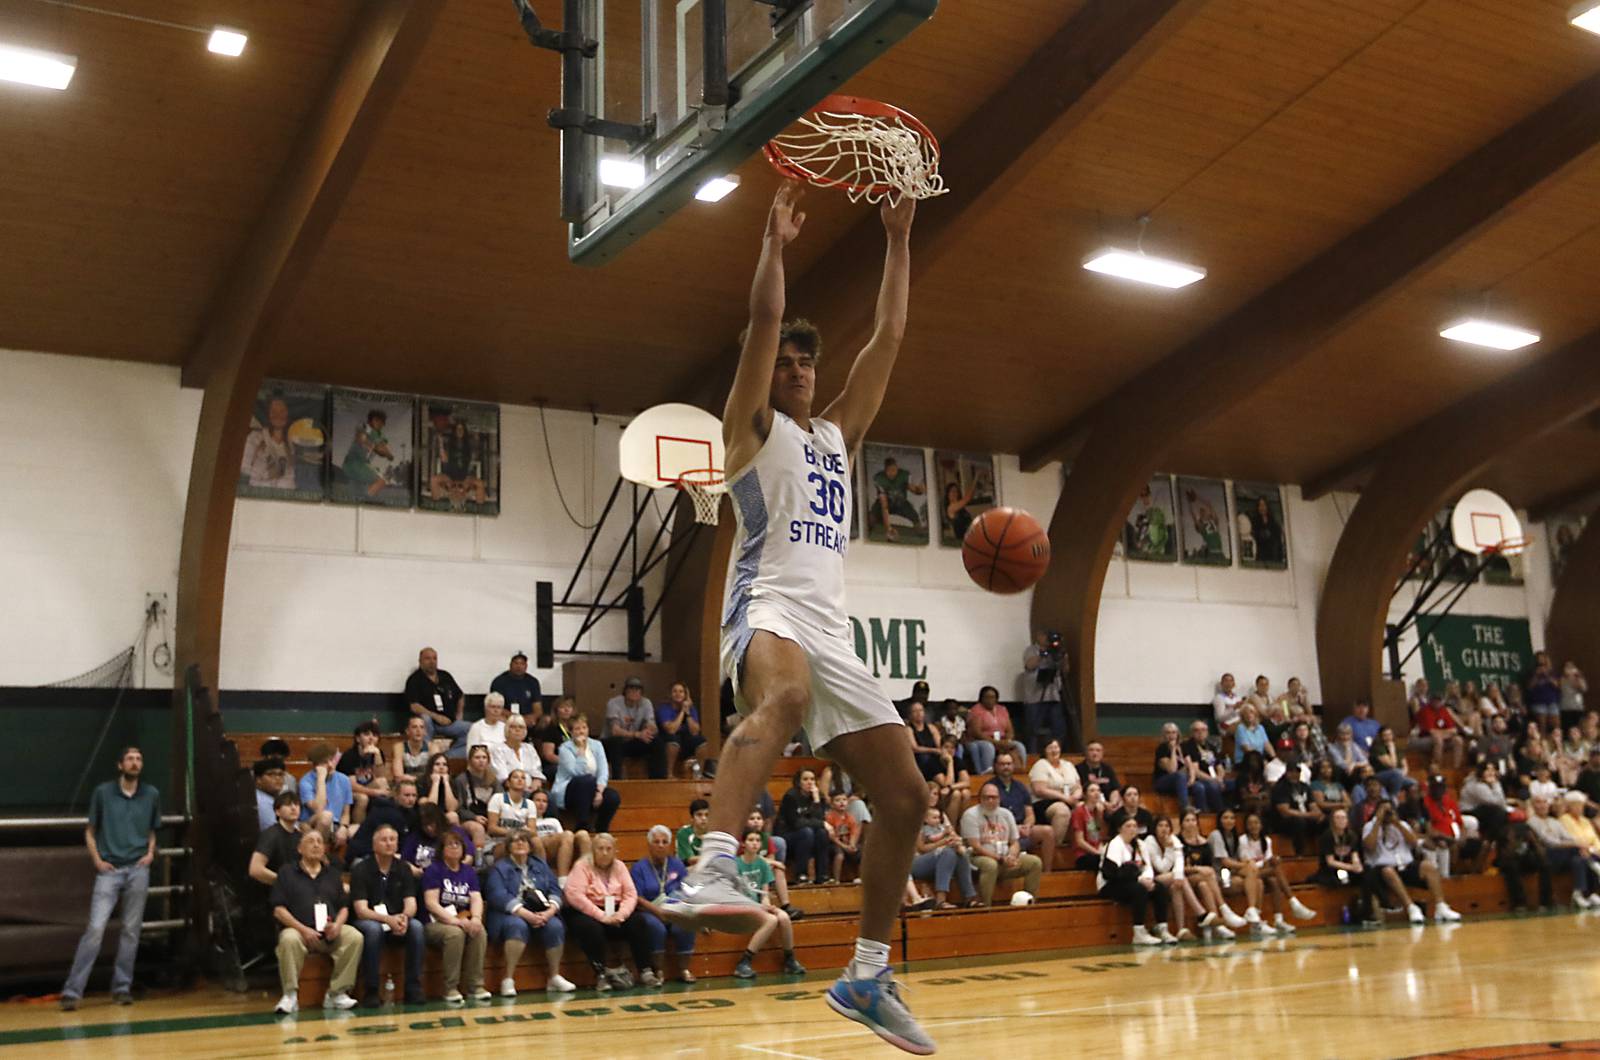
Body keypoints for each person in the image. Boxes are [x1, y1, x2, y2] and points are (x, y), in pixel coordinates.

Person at [654, 183, 929, 1054]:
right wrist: (772, 247)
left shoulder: (838, 436)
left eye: (807, 361)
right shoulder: (750, 430)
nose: (798, 367)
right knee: (781, 701)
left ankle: (869, 974)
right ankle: (711, 867)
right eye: (786, 361)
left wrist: (898, 238)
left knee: (908, 794)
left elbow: (888, 337)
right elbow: (764, 321)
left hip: (834, 631)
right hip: (764, 608)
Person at [59, 747, 161, 1011]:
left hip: (138, 868)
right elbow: (90, 831)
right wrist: (97, 860)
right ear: (120, 764)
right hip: (109, 869)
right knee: (95, 929)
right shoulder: (103, 793)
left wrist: (150, 853)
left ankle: (122, 987)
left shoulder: (151, 794)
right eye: (130, 758)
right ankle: (72, 991)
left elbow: (152, 830)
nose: (135, 762)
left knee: (131, 931)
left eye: (139, 758)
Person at [271, 829, 362, 1014]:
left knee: (354, 936)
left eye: (320, 841)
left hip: (328, 932)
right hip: (300, 930)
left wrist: (337, 926)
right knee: (288, 938)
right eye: (311, 841)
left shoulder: (333, 874)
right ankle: (289, 995)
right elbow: (278, 909)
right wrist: (303, 929)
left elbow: (344, 906)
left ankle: (337, 993)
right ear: (299, 848)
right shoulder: (287, 872)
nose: (316, 845)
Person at [485, 829, 575, 995]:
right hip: (509, 914)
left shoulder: (540, 864)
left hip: (540, 911)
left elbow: (555, 889)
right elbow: (497, 895)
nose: (520, 843)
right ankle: (508, 979)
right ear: (508, 847)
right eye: (515, 841)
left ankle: (554, 977)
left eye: (524, 841)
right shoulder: (500, 868)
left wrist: (550, 911)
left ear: (530, 846)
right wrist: (525, 913)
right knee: (517, 925)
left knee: (555, 925)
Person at [565, 833, 656, 990]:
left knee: (638, 921)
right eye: (600, 849)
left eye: (609, 849)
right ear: (593, 850)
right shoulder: (582, 866)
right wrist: (601, 916)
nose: (605, 852)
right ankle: (600, 974)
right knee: (590, 928)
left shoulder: (619, 866)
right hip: (588, 911)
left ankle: (645, 970)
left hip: (615, 910)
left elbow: (630, 894)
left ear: (615, 851)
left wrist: (622, 914)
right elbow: (575, 896)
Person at [349, 823, 425, 1007]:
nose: (389, 844)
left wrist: (403, 918)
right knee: (373, 931)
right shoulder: (361, 869)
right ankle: (372, 990)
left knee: (416, 927)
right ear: (374, 844)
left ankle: (413, 988)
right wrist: (387, 920)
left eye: (392, 840)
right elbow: (361, 909)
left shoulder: (403, 868)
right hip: (369, 920)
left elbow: (411, 904)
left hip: (396, 919)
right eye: (384, 840)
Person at [1362, 798, 1461, 924]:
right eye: (1384, 810)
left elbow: (1414, 842)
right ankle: (1411, 907)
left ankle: (1441, 906)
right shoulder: (1370, 826)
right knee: (1388, 871)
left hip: (1405, 865)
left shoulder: (1401, 824)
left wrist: (1396, 824)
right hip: (1381, 869)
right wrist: (1378, 821)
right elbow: (1369, 846)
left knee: (1428, 866)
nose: (1387, 813)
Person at [419, 830, 490, 1003]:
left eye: (457, 844)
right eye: (449, 844)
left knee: (479, 932)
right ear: (442, 849)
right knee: (455, 934)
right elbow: (431, 903)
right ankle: (450, 987)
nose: (454, 847)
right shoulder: (434, 870)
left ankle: (475, 986)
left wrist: (476, 918)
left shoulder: (469, 872)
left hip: (462, 919)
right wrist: (454, 921)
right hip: (435, 922)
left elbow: (476, 898)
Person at [730, 830, 808, 978]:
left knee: (784, 917)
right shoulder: (736, 864)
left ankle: (789, 960)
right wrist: (759, 907)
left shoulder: (762, 864)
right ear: (743, 844)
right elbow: (735, 895)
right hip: (740, 906)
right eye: (751, 840)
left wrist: (766, 904)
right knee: (771, 920)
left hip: (758, 906)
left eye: (757, 840)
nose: (754, 843)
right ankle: (744, 962)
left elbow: (764, 893)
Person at [631, 825, 698, 984]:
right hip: (649, 910)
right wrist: (658, 911)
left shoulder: (677, 865)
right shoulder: (639, 867)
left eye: (664, 842)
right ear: (649, 845)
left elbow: (686, 890)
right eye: (656, 841)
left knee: (687, 923)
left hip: (674, 909)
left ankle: (684, 969)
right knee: (656, 927)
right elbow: (637, 898)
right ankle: (659, 971)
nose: (661, 845)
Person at [960, 782, 1043, 906]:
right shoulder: (970, 815)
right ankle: (985, 906)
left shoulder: (1006, 814)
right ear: (980, 799)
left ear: (999, 798)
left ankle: (1028, 902)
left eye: (994, 797)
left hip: (1004, 857)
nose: (991, 800)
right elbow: (975, 846)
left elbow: (1015, 842)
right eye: (987, 797)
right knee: (990, 865)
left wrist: (1011, 856)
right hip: (977, 859)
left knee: (1034, 862)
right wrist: (1000, 859)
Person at [1098, 816, 1166, 946]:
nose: (1132, 829)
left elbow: (1147, 866)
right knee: (1139, 890)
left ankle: (1162, 928)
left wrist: (1148, 880)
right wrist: (1140, 880)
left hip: (1132, 881)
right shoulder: (1115, 844)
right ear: (1119, 829)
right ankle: (1139, 932)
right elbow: (1111, 873)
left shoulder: (1141, 845)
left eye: (1134, 826)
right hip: (1110, 884)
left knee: (1160, 888)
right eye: (1128, 826)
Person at [1176, 809, 1245, 935]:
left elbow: (1210, 866)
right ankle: (1224, 908)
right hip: (1185, 878)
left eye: (1193, 820)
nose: (1191, 823)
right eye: (1187, 820)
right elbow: (1178, 868)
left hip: (1204, 879)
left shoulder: (1204, 842)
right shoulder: (1178, 841)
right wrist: (1197, 869)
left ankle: (1215, 923)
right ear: (1181, 823)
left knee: (1204, 884)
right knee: (1208, 876)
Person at [1208, 808, 1273, 935]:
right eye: (1225, 818)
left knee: (1258, 881)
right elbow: (1225, 862)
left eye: (1232, 818)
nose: (1229, 821)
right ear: (1219, 820)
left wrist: (1248, 863)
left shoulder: (1234, 836)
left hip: (1230, 871)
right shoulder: (1216, 835)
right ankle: (1252, 912)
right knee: (1247, 873)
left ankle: (1254, 917)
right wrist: (1246, 864)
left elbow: (1240, 859)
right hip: (1220, 874)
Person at [552, 715, 621, 833]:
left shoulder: (597, 745)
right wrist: (581, 752)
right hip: (569, 790)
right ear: (571, 731)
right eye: (577, 729)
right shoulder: (565, 748)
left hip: (592, 788)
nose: (581, 731)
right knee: (586, 780)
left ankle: (601, 829)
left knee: (613, 797)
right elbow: (576, 772)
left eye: (584, 727)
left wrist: (599, 791)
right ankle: (582, 825)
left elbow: (603, 770)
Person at [1527, 795, 1598, 909]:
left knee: (1579, 860)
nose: (1542, 806)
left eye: (1544, 802)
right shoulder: (1532, 822)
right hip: (1547, 856)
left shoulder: (1554, 821)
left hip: (1566, 855)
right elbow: (1550, 842)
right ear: (1533, 806)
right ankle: (1593, 863)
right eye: (1538, 803)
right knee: (1578, 851)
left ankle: (1581, 894)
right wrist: (1577, 845)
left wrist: (1578, 844)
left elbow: (1569, 837)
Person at [1312, 807, 1378, 925]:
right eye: (1337, 818)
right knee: (1333, 882)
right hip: (1330, 871)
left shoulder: (1351, 836)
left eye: (1343, 818)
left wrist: (1357, 866)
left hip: (1347, 868)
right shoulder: (1327, 836)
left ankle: (1367, 912)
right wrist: (1351, 867)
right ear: (1332, 821)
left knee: (1367, 873)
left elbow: (1354, 855)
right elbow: (1330, 861)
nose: (1341, 820)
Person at [405, 646, 470, 758]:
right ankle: (426, 756)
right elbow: (414, 706)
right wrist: (436, 716)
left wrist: (459, 715)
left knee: (472, 729)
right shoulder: (414, 680)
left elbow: (460, 696)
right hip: (429, 723)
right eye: (428, 658)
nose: (432, 662)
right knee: (424, 719)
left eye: (434, 658)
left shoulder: (445, 676)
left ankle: (446, 756)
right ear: (420, 661)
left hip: (449, 722)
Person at [911, 802, 978, 909]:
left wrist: (955, 842)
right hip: (915, 862)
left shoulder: (941, 827)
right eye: (934, 818)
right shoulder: (920, 826)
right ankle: (941, 900)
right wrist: (942, 843)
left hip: (939, 860)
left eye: (939, 818)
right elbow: (922, 849)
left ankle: (970, 897)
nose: (937, 820)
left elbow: (954, 838)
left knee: (957, 852)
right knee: (948, 852)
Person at [1143, 816, 1199, 942]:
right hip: (1151, 878)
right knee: (1179, 878)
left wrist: (1178, 876)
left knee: (1177, 886)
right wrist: (1169, 849)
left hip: (1169, 879)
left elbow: (1180, 861)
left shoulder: (1174, 839)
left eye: (1167, 826)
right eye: (1160, 826)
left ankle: (1181, 929)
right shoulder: (1149, 841)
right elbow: (1161, 867)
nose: (1164, 829)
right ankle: (1201, 913)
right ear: (1154, 828)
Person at [779, 768, 836, 884]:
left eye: (812, 779)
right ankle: (801, 874)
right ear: (799, 782)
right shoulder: (791, 796)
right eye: (805, 779)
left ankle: (822, 875)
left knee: (822, 833)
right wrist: (822, 823)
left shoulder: (817, 796)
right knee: (807, 832)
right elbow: (796, 823)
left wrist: (816, 801)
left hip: (809, 834)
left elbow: (819, 819)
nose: (810, 782)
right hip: (788, 834)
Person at [605, 676, 668, 779]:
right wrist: (637, 734)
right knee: (616, 742)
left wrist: (649, 728)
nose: (634, 692)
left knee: (657, 742)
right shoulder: (614, 703)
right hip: (612, 742)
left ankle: (658, 780)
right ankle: (618, 781)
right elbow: (615, 731)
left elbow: (653, 726)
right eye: (631, 689)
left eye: (637, 689)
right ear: (625, 691)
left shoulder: (646, 703)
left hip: (633, 741)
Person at [346, 776, 419, 864]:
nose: (411, 799)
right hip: (364, 857)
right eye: (406, 795)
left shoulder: (411, 813)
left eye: (414, 795)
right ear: (396, 795)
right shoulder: (385, 812)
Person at [1019, 630, 1067, 753]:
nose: (1048, 639)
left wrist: (1063, 657)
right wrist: (1043, 654)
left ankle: (1057, 751)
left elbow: (1065, 670)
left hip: (1054, 695)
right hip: (1035, 697)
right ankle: (1033, 753)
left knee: (1058, 728)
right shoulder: (1031, 650)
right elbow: (1030, 665)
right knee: (1033, 728)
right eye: (1046, 636)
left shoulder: (1057, 651)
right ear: (1039, 636)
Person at [1029, 738, 1080, 854]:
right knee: (1062, 811)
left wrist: (1075, 797)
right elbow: (1039, 790)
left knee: (1084, 807)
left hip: (1069, 799)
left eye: (1056, 747)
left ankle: (1082, 845)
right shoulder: (1041, 765)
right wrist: (1064, 798)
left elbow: (1078, 787)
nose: (1054, 750)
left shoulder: (1068, 765)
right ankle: (1055, 847)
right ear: (1044, 750)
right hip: (1045, 802)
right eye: (1050, 748)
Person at [298, 742, 353, 846]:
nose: (330, 765)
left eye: (332, 760)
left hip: (336, 824)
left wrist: (344, 827)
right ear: (316, 765)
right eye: (325, 762)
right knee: (326, 816)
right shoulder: (305, 782)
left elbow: (346, 813)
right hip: (312, 823)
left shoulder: (344, 779)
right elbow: (319, 809)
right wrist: (321, 779)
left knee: (358, 829)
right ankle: (318, 851)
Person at [337, 720, 389, 824]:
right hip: (345, 791)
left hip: (365, 786)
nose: (371, 738)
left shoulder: (377, 753)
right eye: (366, 734)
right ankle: (359, 828)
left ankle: (383, 823)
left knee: (382, 782)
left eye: (374, 735)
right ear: (357, 738)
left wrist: (378, 755)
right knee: (363, 798)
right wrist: (375, 792)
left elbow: (381, 776)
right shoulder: (349, 756)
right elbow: (351, 785)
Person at [403, 803, 476, 876]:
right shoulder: (414, 837)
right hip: (422, 877)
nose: (429, 828)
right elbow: (404, 861)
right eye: (425, 825)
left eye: (432, 824)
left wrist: (453, 869)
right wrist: (415, 871)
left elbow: (469, 856)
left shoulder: (454, 832)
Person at [967, 686, 1028, 772]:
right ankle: (987, 771)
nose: (990, 700)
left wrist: (1008, 740)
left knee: (1019, 745)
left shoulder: (1002, 709)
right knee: (988, 747)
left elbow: (1009, 729)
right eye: (987, 697)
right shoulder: (976, 710)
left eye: (992, 697)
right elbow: (977, 733)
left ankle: (1020, 771)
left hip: (1002, 740)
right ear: (981, 698)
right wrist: (996, 742)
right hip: (983, 740)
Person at [451, 745, 500, 852]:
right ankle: (478, 860)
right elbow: (459, 808)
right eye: (477, 758)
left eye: (484, 757)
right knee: (478, 828)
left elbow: (501, 801)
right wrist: (474, 817)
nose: (481, 761)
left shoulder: (493, 780)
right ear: (470, 760)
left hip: (490, 817)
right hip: (468, 818)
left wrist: (492, 818)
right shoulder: (461, 780)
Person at [251, 790, 305, 886]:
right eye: (288, 805)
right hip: (275, 891)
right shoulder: (271, 834)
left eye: (296, 804)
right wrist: (284, 883)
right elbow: (255, 869)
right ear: (277, 811)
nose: (293, 808)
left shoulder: (300, 836)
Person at [1271, 762, 1323, 855]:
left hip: (1305, 817)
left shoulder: (1304, 786)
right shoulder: (1281, 787)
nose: (1294, 775)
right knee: (1299, 822)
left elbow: (1313, 805)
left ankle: (1323, 853)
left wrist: (1318, 814)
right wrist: (1308, 815)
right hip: (1284, 822)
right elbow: (1284, 811)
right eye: (1291, 772)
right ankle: (1300, 854)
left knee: (1324, 821)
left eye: (1297, 772)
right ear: (1286, 773)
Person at [530, 788, 583, 880]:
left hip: (556, 849)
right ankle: (563, 878)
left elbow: (565, 840)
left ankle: (585, 873)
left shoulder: (553, 821)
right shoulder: (526, 821)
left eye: (545, 801)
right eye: (538, 800)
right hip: (538, 848)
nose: (541, 804)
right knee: (567, 834)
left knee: (583, 834)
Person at [657, 682, 706, 777]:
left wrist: (687, 713)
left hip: (685, 741)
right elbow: (671, 730)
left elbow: (695, 731)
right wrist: (682, 712)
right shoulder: (664, 708)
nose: (678, 694)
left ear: (685, 695)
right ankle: (669, 774)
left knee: (701, 741)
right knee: (673, 741)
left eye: (681, 691)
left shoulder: (691, 709)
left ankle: (698, 773)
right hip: (668, 741)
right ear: (670, 694)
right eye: (674, 691)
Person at [1178, 720, 1226, 812]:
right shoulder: (1188, 746)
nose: (1200, 733)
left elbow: (1220, 767)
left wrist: (1220, 778)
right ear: (1192, 733)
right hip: (1199, 779)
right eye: (1197, 730)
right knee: (1211, 786)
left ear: (1207, 732)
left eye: (1203, 730)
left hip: (1214, 778)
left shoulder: (1211, 746)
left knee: (1234, 783)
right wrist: (1213, 780)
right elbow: (1196, 771)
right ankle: (1219, 813)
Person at [486, 769, 538, 852]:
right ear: (508, 783)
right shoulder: (497, 798)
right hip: (499, 841)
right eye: (515, 777)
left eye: (523, 778)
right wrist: (515, 833)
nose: (520, 780)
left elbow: (533, 831)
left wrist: (519, 835)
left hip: (522, 841)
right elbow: (492, 828)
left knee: (536, 841)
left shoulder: (530, 804)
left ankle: (541, 865)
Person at [490, 714, 545, 790]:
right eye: (513, 727)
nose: (517, 730)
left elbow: (536, 771)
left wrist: (536, 782)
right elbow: (502, 776)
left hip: (531, 788)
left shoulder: (529, 748)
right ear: (507, 730)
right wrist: (522, 788)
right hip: (508, 789)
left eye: (521, 727)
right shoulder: (497, 749)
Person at [1411, 693, 1465, 770]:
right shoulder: (1425, 710)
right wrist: (1446, 733)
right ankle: (1436, 768)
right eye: (1435, 700)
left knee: (1458, 740)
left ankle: (1456, 768)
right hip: (1422, 738)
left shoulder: (1443, 710)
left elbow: (1454, 730)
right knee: (1438, 739)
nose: (1437, 703)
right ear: (1431, 701)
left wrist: (1444, 734)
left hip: (1442, 737)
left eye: (1439, 700)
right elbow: (1431, 731)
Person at [931, 732, 972, 824]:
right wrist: (950, 763)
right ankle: (951, 828)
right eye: (946, 747)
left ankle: (962, 826)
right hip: (936, 797)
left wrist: (951, 788)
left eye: (952, 748)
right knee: (956, 794)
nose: (949, 750)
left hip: (949, 793)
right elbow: (945, 784)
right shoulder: (933, 762)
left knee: (966, 793)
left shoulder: (958, 761)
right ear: (941, 748)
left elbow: (967, 782)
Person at [489, 651, 543, 718]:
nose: (519, 666)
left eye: (522, 664)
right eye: (516, 663)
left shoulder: (533, 682)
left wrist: (531, 718)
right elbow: (495, 707)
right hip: (507, 717)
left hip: (528, 719)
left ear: (526, 666)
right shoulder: (499, 682)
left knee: (546, 720)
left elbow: (538, 708)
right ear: (510, 665)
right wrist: (515, 718)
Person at [1070, 782, 1109, 870]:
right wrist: (1098, 853)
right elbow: (1079, 841)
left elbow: (1099, 836)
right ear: (1085, 795)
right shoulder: (1079, 812)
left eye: (1098, 790)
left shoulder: (1097, 812)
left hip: (1096, 851)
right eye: (1092, 791)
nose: (1096, 793)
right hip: (1083, 854)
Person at [534, 696, 577, 774]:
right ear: (556, 710)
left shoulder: (576, 728)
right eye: (562, 707)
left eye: (569, 707)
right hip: (556, 764)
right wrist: (568, 762)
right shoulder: (551, 729)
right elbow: (549, 755)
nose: (566, 710)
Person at [1079, 741, 1122, 813]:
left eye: (1098, 750)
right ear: (1086, 753)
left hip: (1108, 801)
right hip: (1090, 801)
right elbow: (1082, 793)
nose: (1095, 753)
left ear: (1102, 753)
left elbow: (1115, 789)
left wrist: (1113, 803)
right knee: (1100, 808)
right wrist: (1105, 804)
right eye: (1091, 750)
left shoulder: (1108, 769)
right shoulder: (1079, 769)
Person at [418, 752, 461, 824]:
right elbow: (430, 808)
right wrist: (436, 783)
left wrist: (446, 783)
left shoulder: (452, 782)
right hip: (427, 817)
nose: (441, 767)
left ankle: (454, 836)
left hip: (445, 816)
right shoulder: (422, 782)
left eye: (445, 764)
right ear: (431, 767)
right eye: (437, 764)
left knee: (453, 816)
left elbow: (452, 808)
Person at [906, 700, 944, 782]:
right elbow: (914, 748)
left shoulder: (931, 727)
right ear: (910, 714)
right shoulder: (909, 729)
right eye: (915, 711)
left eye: (920, 710)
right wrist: (933, 750)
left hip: (934, 756)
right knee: (926, 758)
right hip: (919, 757)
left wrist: (941, 750)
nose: (918, 713)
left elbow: (940, 744)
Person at [1527, 653, 1562, 736]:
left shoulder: (1552, 672)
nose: (1541, 661)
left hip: (1552, 701)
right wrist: (1536, 675)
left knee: (1556, 726)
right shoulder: (1532, 672)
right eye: (1539, 659)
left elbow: (1558, 686)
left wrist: (1547, 675)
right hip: (1538, 702)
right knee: (1542, 726)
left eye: (1543, 658)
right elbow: (1529, 687)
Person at [393, 716, 432, 783]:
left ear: (425, 732)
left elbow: (435, 774)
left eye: (421, 727)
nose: (418, 730)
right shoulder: (399, 747)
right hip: (406, 784)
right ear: (407, 731)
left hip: (426, 784)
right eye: (414, 727)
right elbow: (398, 776)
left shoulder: (432, 747)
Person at [254, 756, 289, 830]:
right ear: (258, 779)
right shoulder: (261, 801)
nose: (277, 778)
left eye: (280, 774)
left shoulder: (273, 798)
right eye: (271, 774)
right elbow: (277, 832)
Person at [677, 798, 711, 866]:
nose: (704, 818)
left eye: (706, 815)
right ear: (692, 818)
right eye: (699, 815)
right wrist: (712, 858)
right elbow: (691, 860)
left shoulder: (715, 833)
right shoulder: (684, 833)